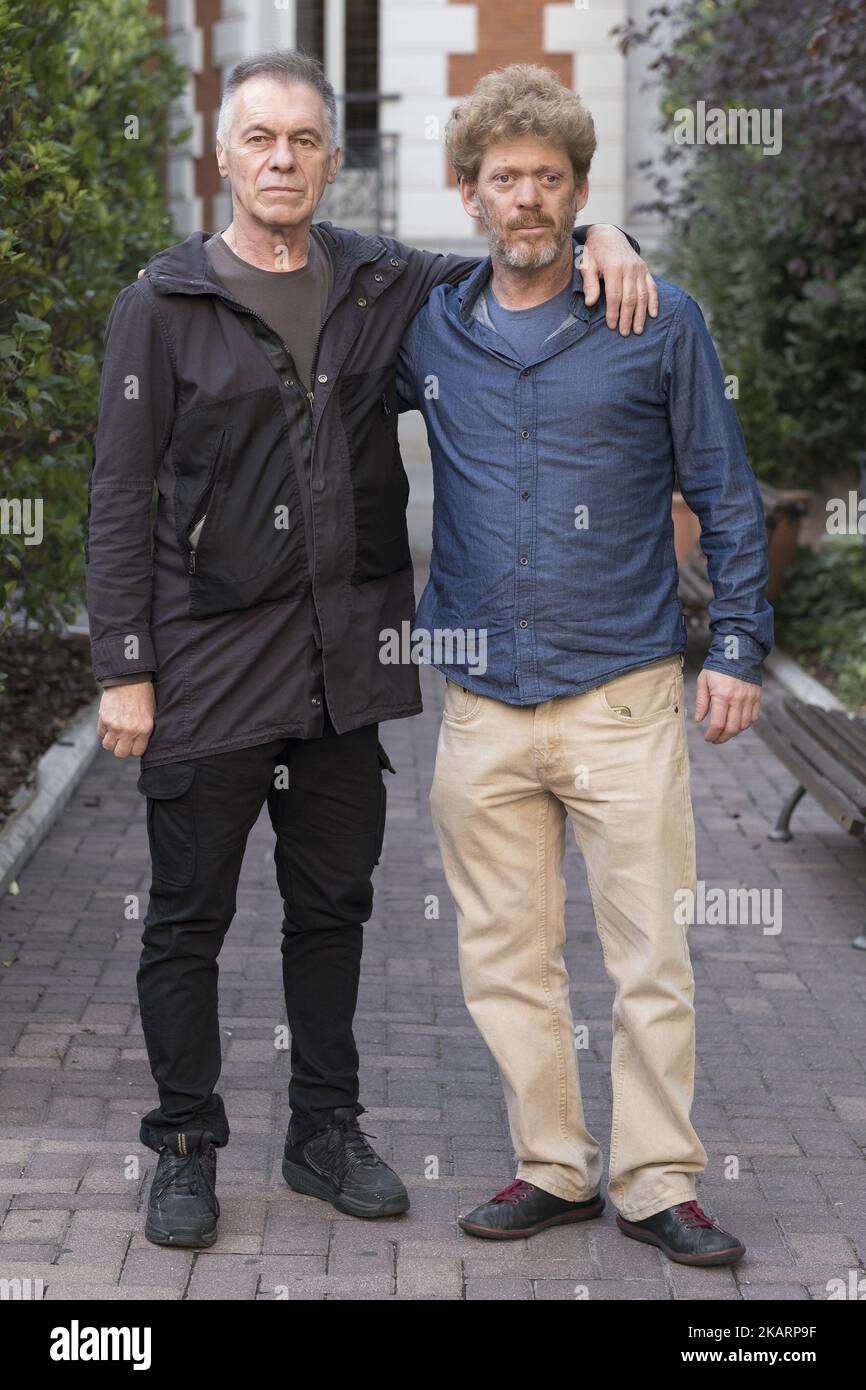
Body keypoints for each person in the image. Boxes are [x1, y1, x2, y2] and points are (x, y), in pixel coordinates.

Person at [86, 48, 652, 1248]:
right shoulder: (166, 302)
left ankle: (322, 1129)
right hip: (204, 669)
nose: (282, 159)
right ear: (224, 158)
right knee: (187, 917)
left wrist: (604, 231)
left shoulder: (378, 283)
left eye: (303, 141)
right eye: (259, 140)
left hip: (342, 674)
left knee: (329, 909)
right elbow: (118, 491)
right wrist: (122, 662)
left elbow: (520, 246)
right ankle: (184, 1141)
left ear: (330, 161)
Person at [396, 64, 773, 1266]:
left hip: (623, 697)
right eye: (503, 178)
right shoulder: (430, 324)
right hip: (482, 709)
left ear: (576, 194)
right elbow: (318, 255)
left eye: (547, 181)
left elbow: (722, 492)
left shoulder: (656, 320)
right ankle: (553, 1166)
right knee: (505, 957)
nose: (525, 199)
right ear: (468, 193)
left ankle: (657, 1180)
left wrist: (737, 645)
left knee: (649, 956)